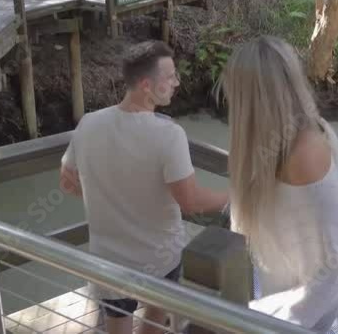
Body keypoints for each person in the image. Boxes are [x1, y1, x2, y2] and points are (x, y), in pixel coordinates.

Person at [59, 40, 229, 334]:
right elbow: (191, 201)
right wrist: (233, 196)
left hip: (108, 260)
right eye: (171, 77)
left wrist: (108, 197)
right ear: (147, 86)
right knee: (155, 319)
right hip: (161, 258)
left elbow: (67, 183)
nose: (177, 83)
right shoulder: (169, 135)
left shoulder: (88, 123)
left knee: (117, 325)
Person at [218, 36, 338, 333]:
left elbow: (337, 259)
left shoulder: (307, 150)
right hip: (281, 294)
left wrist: (272, 320)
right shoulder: (277, 144)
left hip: (300, 315)